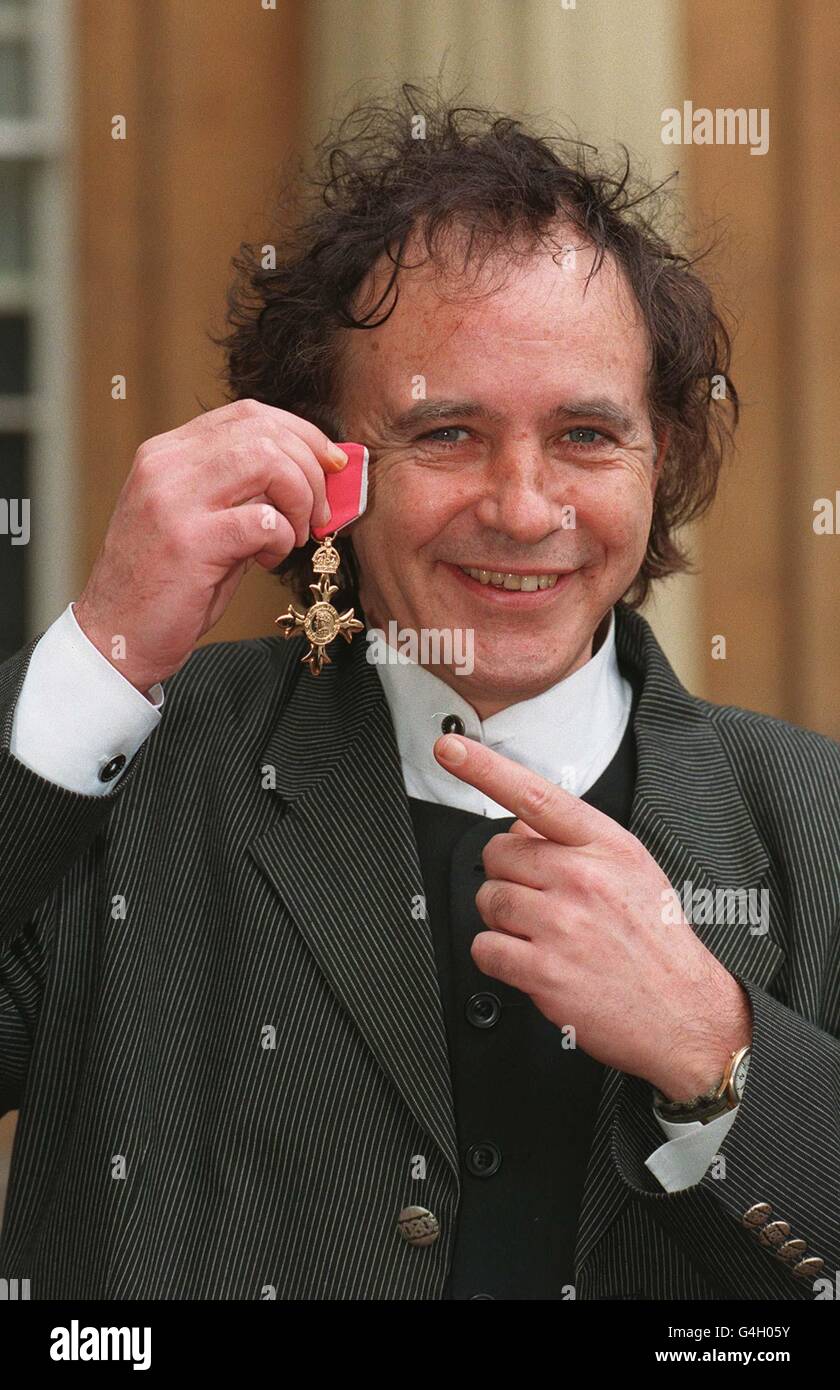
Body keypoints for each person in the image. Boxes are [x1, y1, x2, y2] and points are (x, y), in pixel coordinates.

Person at [1, 89, 838, 1301]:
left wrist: (723, 1057)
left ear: (661, 461)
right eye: (446, 432)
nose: (521, 505)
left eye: (587, 437)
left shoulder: (812, 817)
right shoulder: (134, 779)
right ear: (325, 466)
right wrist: (103, 650)